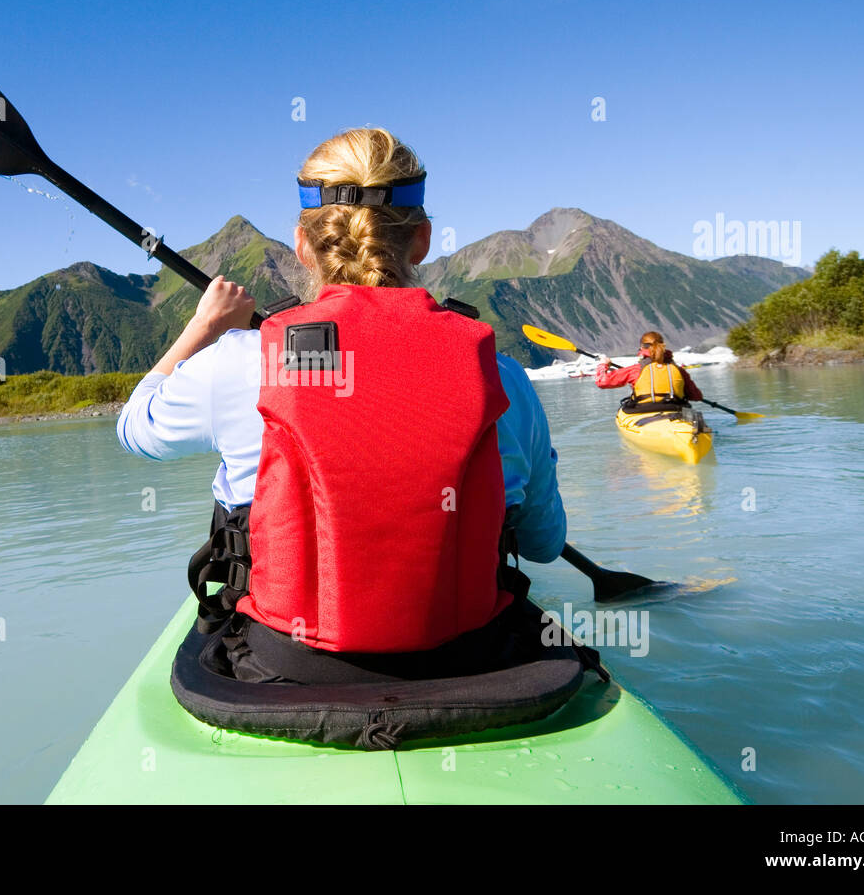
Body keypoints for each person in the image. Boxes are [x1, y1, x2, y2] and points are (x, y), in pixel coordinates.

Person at [116, 127, 567, 684]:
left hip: (282, 665)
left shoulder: (241, 362)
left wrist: (203, 328)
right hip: (471, 658)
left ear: (303, 245)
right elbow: (545, 546)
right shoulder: (501, 375)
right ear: (422, 240)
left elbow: (134, 428)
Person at [593, 331, 703, 404]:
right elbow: (696, 396)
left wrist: (603, 365)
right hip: (674, 410)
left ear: (642, 348)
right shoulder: (678, 370)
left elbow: (602, 382)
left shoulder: (636, 370)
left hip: (644, 412)